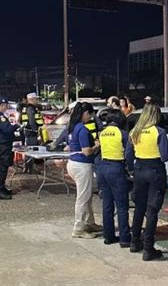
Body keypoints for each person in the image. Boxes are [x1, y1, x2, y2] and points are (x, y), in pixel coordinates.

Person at [129, 103, 168, 261]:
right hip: (155, 170)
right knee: (152, 210)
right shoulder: (159, 132)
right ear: (156, 115)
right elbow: (165, 156)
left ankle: (135, 242)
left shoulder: (135, 132)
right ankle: (148, 248)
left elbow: (129, 154)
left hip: (139, 169)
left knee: (139, 207)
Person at [97, 108, 134, 247]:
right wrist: (130, 170)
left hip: (103, 168)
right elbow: (129, 155)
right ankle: (124, 238)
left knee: (107, 204)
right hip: (116, 168)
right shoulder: (123, 134)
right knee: (122, 205)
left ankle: (108, 236)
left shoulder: (103, 133)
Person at [66, 102, 103, 239]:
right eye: (90, 114)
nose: (91, 117)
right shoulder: (82, 129)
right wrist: (97, 146)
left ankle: (89, 222)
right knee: (83, 198)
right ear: (85, 113)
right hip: (82, 165)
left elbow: (68, 146)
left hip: (73, 163)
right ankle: (78, 228)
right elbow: (87, 151)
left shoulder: (72, 127)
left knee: (86, 196)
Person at [0, 97, 20, 200]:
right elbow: (6, 129)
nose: (7, 107)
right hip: (2, 145)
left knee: (3, 168)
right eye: (6, 106)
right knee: (1, 169)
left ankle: (2, 188)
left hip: (2, 144)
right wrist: (15, 126)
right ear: (2, 105)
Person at [21, 93, 44, 172]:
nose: (37, 100)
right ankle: (30, 168)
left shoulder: (29, 108)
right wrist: (36, 131)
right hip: (31, 132)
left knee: (29, 149)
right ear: (31, 99)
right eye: (36, 99)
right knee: (31, 150)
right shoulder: (30, 108)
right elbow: (32, 121)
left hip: (29, 131)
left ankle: (27, 167)